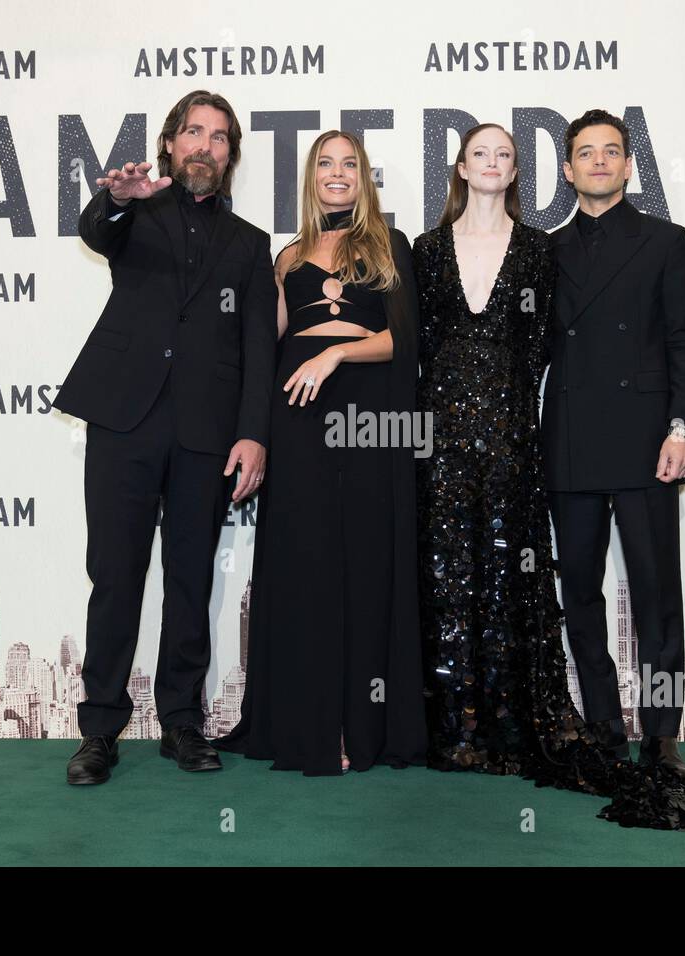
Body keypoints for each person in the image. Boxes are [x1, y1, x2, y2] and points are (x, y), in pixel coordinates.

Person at [414, 121, 685, 828]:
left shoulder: (663, 242)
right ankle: (604, 728)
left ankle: (661, 736)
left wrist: (681, 427)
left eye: (611, 152)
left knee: (658, 599)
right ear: (566, 172)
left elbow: (683, 339)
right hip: (565, 447)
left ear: (629, 166)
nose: (598, 163)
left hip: (644, 446)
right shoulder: (543, 250)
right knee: (582, 599)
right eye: (584, 154)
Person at [54, 90, 277, 783]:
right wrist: (118, 200)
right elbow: (98, 231)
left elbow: (258, 352)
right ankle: (100, 729)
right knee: (114, 576)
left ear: (230, 155)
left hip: (207, 434)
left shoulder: (250, 246)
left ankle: (182, 721)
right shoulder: (136, 214)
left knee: (190, 580)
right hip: (125, 419)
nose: (204, 146)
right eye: (192, 133)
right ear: (170, 146)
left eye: (218, 138)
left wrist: (254, 436)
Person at [214, 131, 427, 775]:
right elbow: (268, 342)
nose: (338, 174)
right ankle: (307, 728)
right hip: (298, 416)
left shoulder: (390, 246)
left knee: (363, 560)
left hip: (369, 414)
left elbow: (407, 341)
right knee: (304, 561)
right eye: (326, 165)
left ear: (365, 177)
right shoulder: (288, 257)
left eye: (350, 165)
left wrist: (335, 352)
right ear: (311, 178)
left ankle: (359, 729)